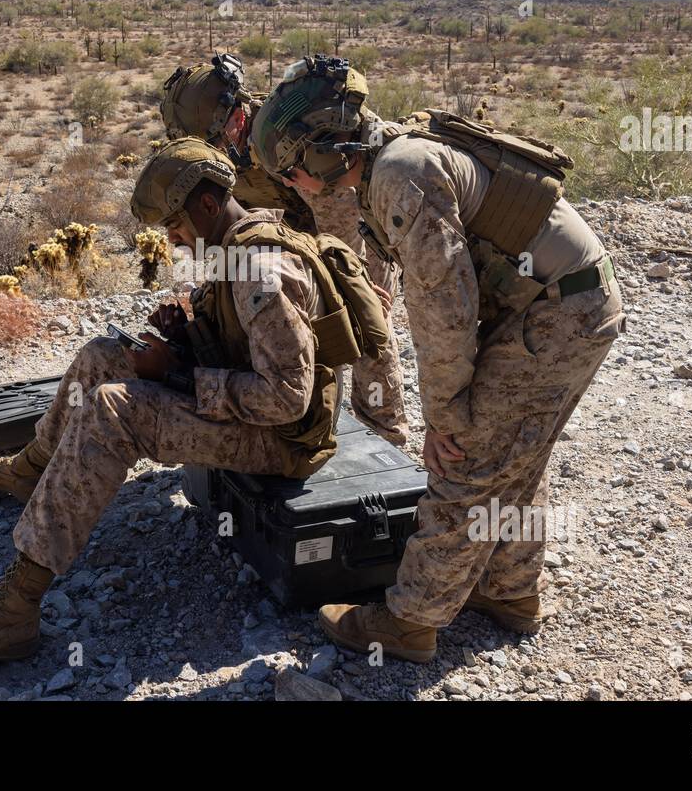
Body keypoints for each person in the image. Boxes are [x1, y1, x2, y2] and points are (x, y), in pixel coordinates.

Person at [0, 137, 383, 671]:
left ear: (207, 204)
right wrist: (188, 338)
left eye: (175, 226)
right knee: (104, 356)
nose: (174, 242)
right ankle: (32, 470)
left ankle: (15, 608)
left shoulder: (260, 271)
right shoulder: (234, 241)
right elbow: (241, 348)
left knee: (114, 407)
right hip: (251, 409)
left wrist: (176, 373)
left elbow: (287, 399)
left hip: (282, 440)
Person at [251, 55, 625, 662]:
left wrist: (445, 418)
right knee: (515, 458)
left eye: (294, 170)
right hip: (558, 302)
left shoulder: (402, 175)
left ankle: (409, 623)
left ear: (325, 151)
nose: (293, 184)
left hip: (559, 313)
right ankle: (509, 591)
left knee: (467, 460)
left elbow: (445, 314)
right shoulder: (387, 164)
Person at [161, 53, 408, 445]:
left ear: (237, 115)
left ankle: (386, 440)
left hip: (353, 228)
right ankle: (303, 424)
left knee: (364, 321)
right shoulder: (213, 163)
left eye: (213, 141)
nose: (209, 155)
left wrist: (343, 281)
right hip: (294, 233)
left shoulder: (295, 137)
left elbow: (343, 239)